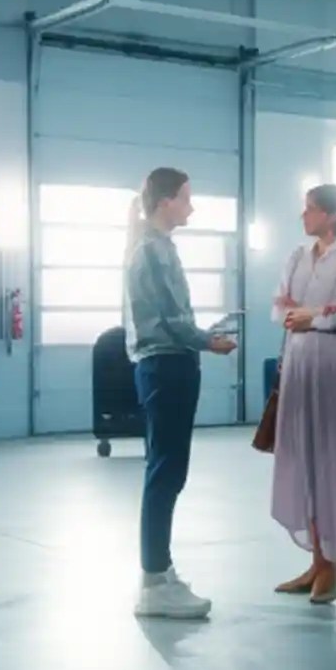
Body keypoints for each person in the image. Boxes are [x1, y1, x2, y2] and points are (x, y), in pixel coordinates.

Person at [124, 167, 237, 619]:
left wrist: (203, 337)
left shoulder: (154, 247)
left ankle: (159, 571)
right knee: (166, 472)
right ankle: (154, 582)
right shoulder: (152, 250)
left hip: (167, 364)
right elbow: (171, 319)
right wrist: (209, 340)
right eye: (187, 198)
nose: (191, 206)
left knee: (166, 470)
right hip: (166, 365)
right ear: (166, 201)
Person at [269, 184, 336, 605]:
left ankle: (332, 565)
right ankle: (315, 559)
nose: (303, 216)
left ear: (330, 215)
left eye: (310, 209)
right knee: (303, 457)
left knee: (330, 458)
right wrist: (308, 314)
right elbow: (279, 308)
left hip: (330, 362)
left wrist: (311, 315)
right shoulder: (296, 255)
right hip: (296, 362)